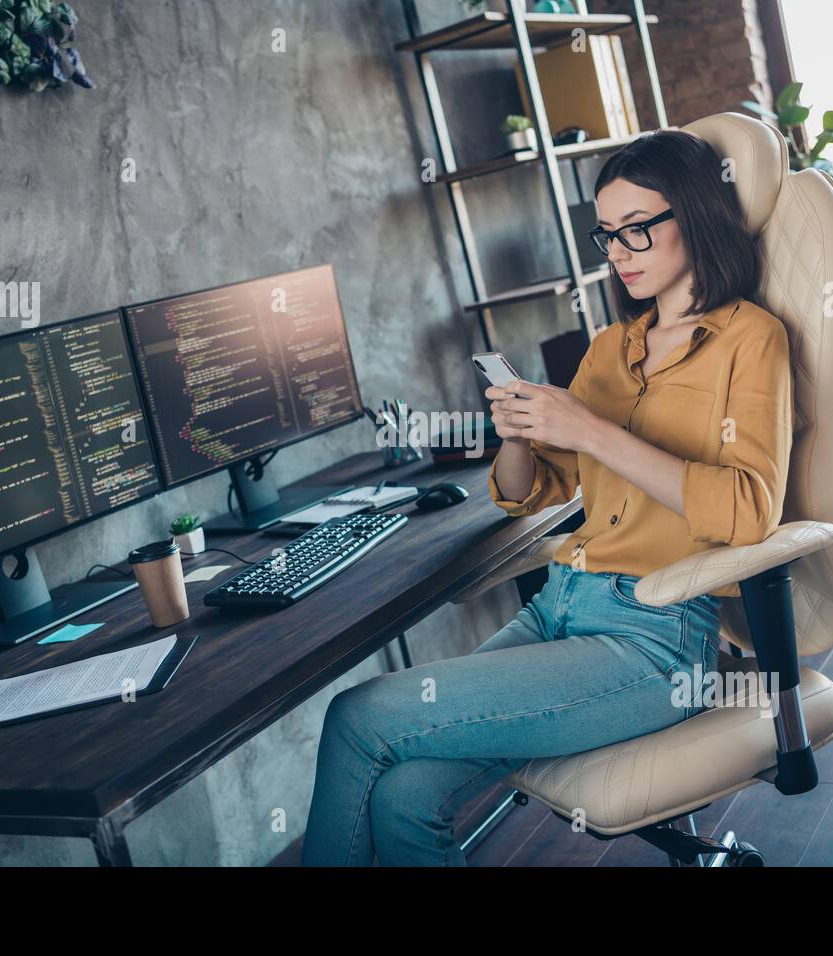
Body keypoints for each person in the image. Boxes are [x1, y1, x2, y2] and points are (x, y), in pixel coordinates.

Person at [301, 129, 793, 867]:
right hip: (558, 607)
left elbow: (751, 508)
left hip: (654, 638)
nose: (618, 251)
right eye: (607, 233)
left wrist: (591, 429)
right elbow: (530, 496)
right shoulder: (609, 349)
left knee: (358, 714)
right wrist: (521, 433)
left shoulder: (751, 340)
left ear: (693, 216)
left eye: (638, 229)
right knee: (405, 797)